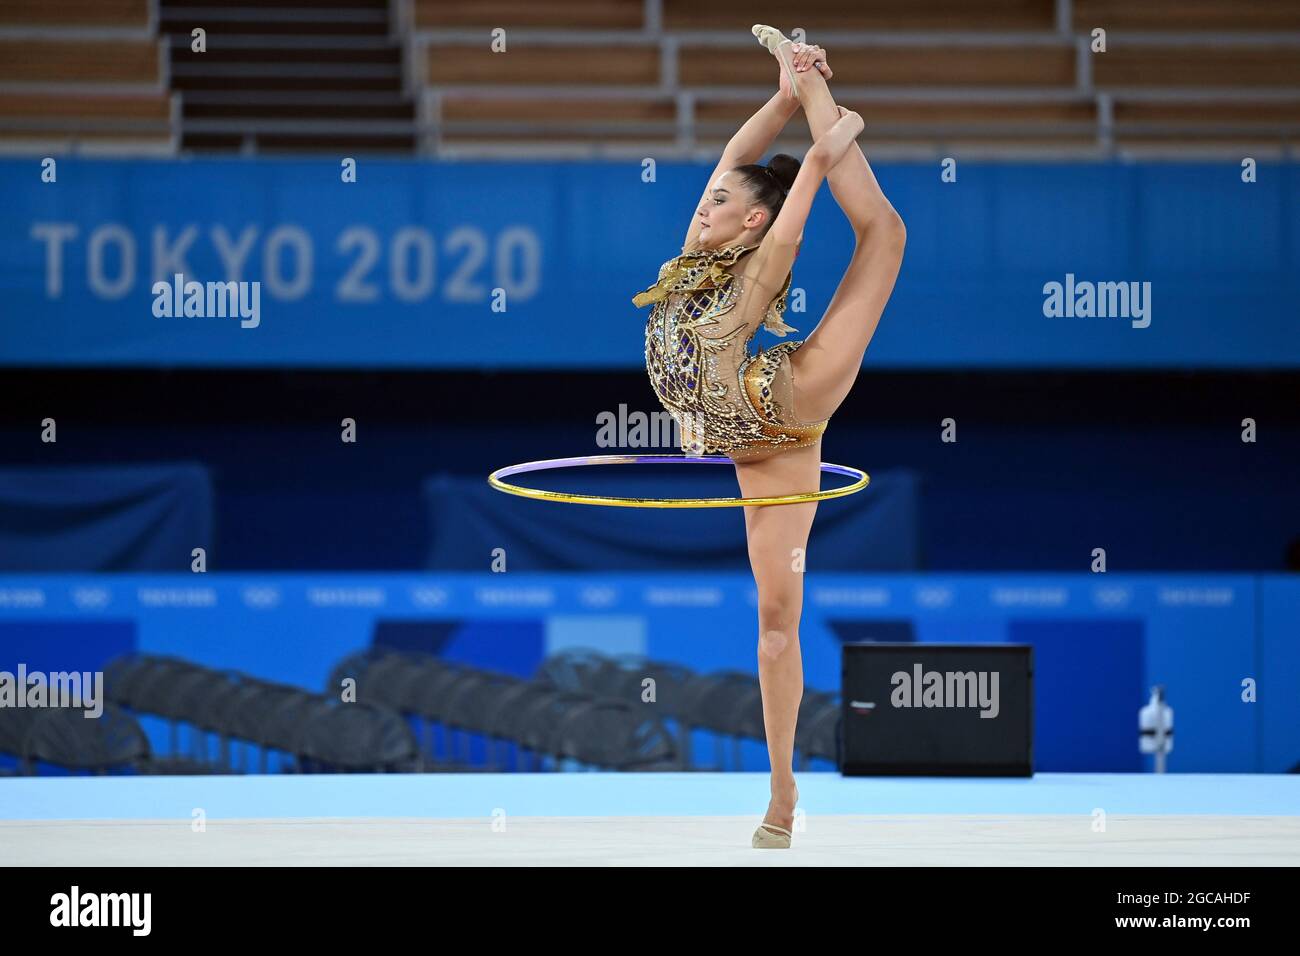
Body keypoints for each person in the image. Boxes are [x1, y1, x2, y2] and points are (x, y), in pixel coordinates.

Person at [632, 25, 907, 848]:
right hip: (737, 436)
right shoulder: (691, 260)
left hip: (780, 411)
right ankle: (811, 79)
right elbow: (732, 156)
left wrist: (822, 151)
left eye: (721, 201)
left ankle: (783, 797)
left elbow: (785, 231)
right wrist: (783, 97)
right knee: (772, 623)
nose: (704, 201)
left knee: (885, 235)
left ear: (748, 221)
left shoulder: (755, 269)